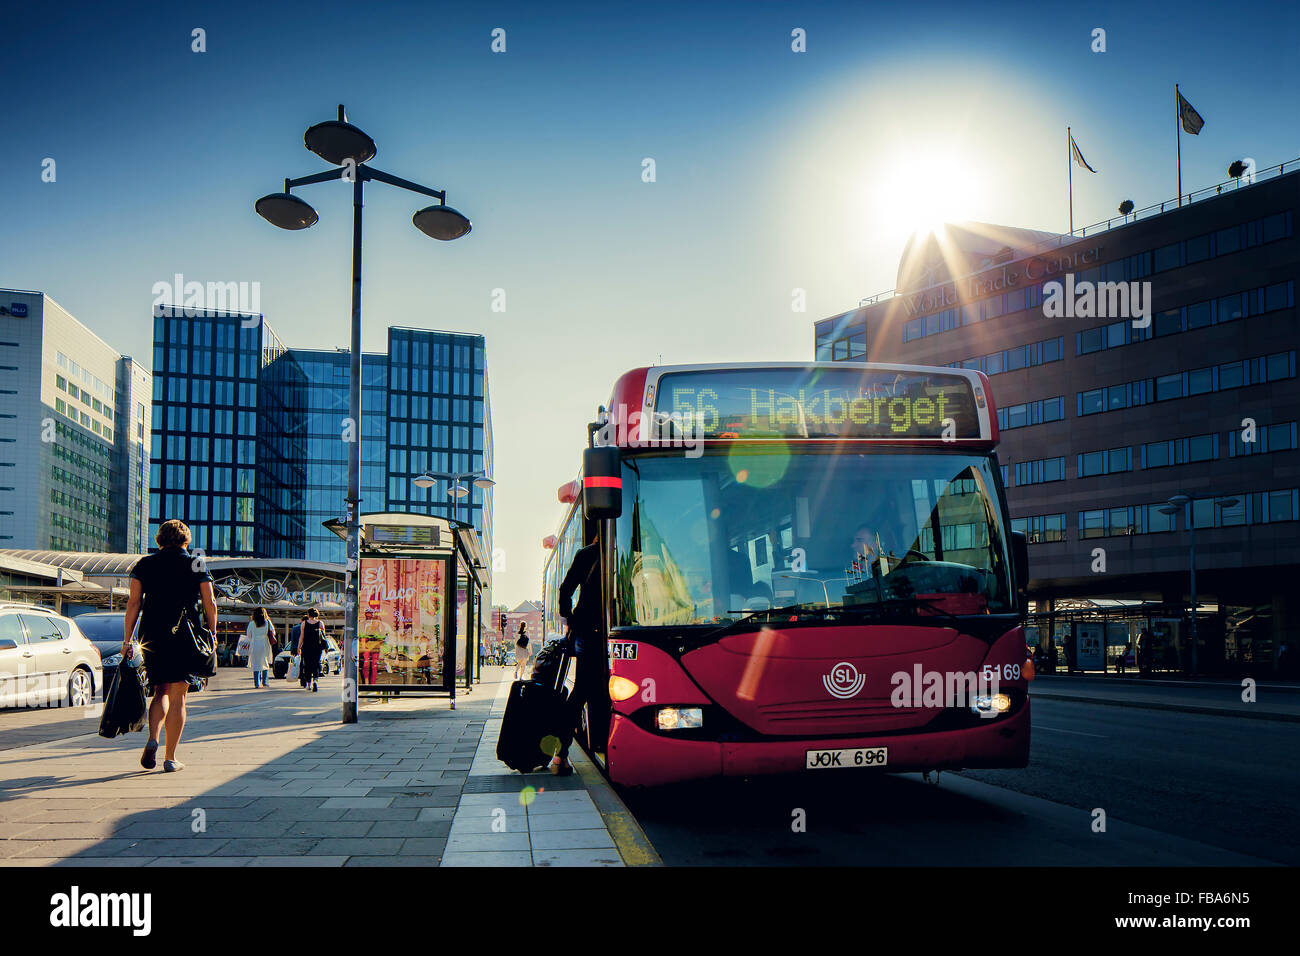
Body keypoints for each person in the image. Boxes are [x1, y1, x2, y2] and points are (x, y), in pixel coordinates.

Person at [122, 518, 216, 773]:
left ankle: (153, 738)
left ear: (159, 539)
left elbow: (133, 603)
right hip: (185, 634)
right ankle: (170, 757)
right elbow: (209, 601)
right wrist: (213, 634)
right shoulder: (195, 562)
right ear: (186, 539)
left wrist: (128, 639)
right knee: (179, 697)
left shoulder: (145, 564)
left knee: (160, 691)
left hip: (152, 634)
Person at [551, 540, 604, 776]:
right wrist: (572, 620)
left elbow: (565, 590)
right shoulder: (632, 546)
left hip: (588, 631)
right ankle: (560, 753)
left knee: (582, 690)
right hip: (597, 633)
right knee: (586, 690)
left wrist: (570, 619)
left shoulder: (588, 554)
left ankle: (560, 755)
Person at [244, 607, 276, 688]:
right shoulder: (267, 622)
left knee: (256, 663)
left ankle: (256, 683)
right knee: (265, 662)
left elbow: (248, 635)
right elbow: (273, 632)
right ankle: (265, 681)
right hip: (265, 644)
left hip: (255, 644)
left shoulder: (252, 623)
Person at [298, 608, 326, 692]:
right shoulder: (320, 623)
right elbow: (323, 637)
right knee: (316, 664)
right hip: (317, 648)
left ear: (308, 614)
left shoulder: (304, 623)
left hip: (307, 647)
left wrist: (299, 647)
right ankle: (315, 680)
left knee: (307, 665)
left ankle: (308, 684)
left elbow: (301, 637)